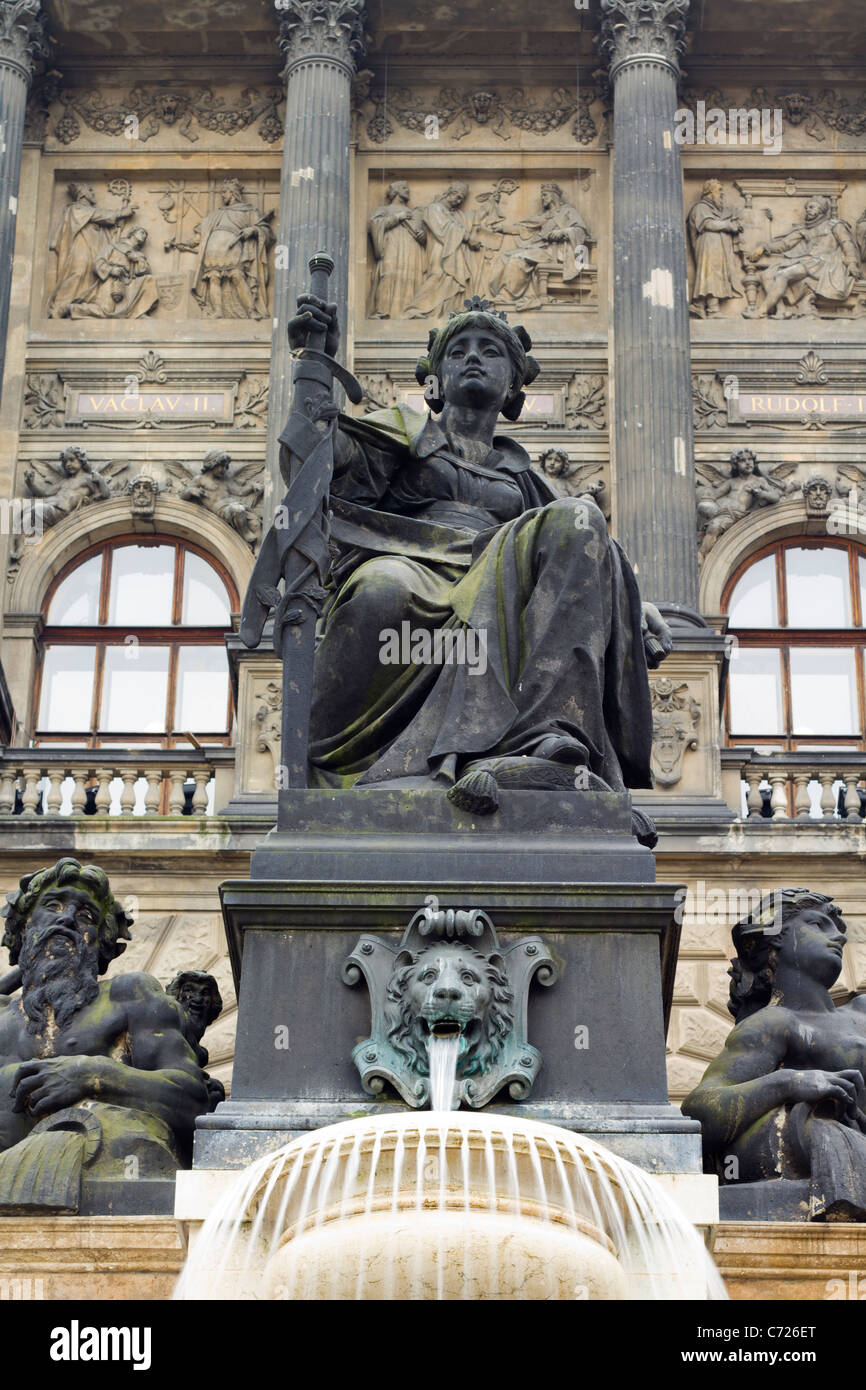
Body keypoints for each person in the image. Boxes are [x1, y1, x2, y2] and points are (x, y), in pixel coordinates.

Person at [284, 293, 671, 831]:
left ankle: (544, 738)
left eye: (490, 350)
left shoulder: (523, 479)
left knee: (579, 515)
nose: (473, 357)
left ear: (512, 386)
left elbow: (575, 563)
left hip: (497, 581)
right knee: (384, 588)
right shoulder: (399, 431)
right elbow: (310, 471)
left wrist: (633, 601)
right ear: (435, 381)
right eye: (458, 350)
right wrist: (309, 371)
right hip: (411, 560)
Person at [0, 859, 209, 1204]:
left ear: (100, 943)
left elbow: (193, 1102)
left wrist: (94, 1074)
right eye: (52, 906)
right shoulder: (4, 1021)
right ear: (23, 929)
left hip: (114, 1186)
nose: (67, 918)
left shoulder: (129, 996)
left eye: (86, 916)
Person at [684, 889, 866, 1220]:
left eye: (837, 927)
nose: (838, 936)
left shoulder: (863, 1011)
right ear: (777, 941)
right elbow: (701, 1112)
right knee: (823, 1132)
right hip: (821, 1145)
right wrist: (788, 1083)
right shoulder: (774, 1024)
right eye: (818, 925)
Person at [744, 195, 860, 318]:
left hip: (826, 262)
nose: (807, 210)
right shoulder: (805, 229)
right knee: (766, 274)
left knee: (783, 274)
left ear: (821, 209)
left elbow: (847, 243)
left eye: (811, 207)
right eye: (806, 208)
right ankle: (781, 310)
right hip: (810, 261)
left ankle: (761, 311)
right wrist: (763, 248)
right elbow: (784, 244)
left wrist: (852, 263)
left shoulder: (834, 225)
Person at [47, 183, 137, 318]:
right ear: (83, 193)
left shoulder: (89, 211)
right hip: (81, 247)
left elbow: (103, 228)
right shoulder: (76, 208)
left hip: (94, 250)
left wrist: (116, 225)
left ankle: (77, 307)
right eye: (90, 190)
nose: (93, 194)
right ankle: (59, 306)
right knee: (78, 272)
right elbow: (97, 215)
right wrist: (120, 213)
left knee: (90, 276)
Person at [367, 180, 426, 318]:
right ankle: (381, 310)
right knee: (388, 274)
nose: (408, 191)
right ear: (396, 191)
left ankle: (409, 310)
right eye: (404, 188)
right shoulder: (385, 210)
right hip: (391, 246)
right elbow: (374, 224)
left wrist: (422, 236)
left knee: (410, 277)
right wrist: (397, 217)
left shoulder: (414, 212)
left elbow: (423, 235)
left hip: (411, 248)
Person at [687, 179, 744, 317]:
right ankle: (712, 309)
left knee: (715, 274)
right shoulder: (701, 207)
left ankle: (700, 305)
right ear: (709, 193)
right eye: (719, 190)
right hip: (708, 246)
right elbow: (708, 224)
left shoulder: (716, 210)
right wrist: (729, 225)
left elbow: (733, 214)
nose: (722, 193)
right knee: (711, 274)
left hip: (716, 248)